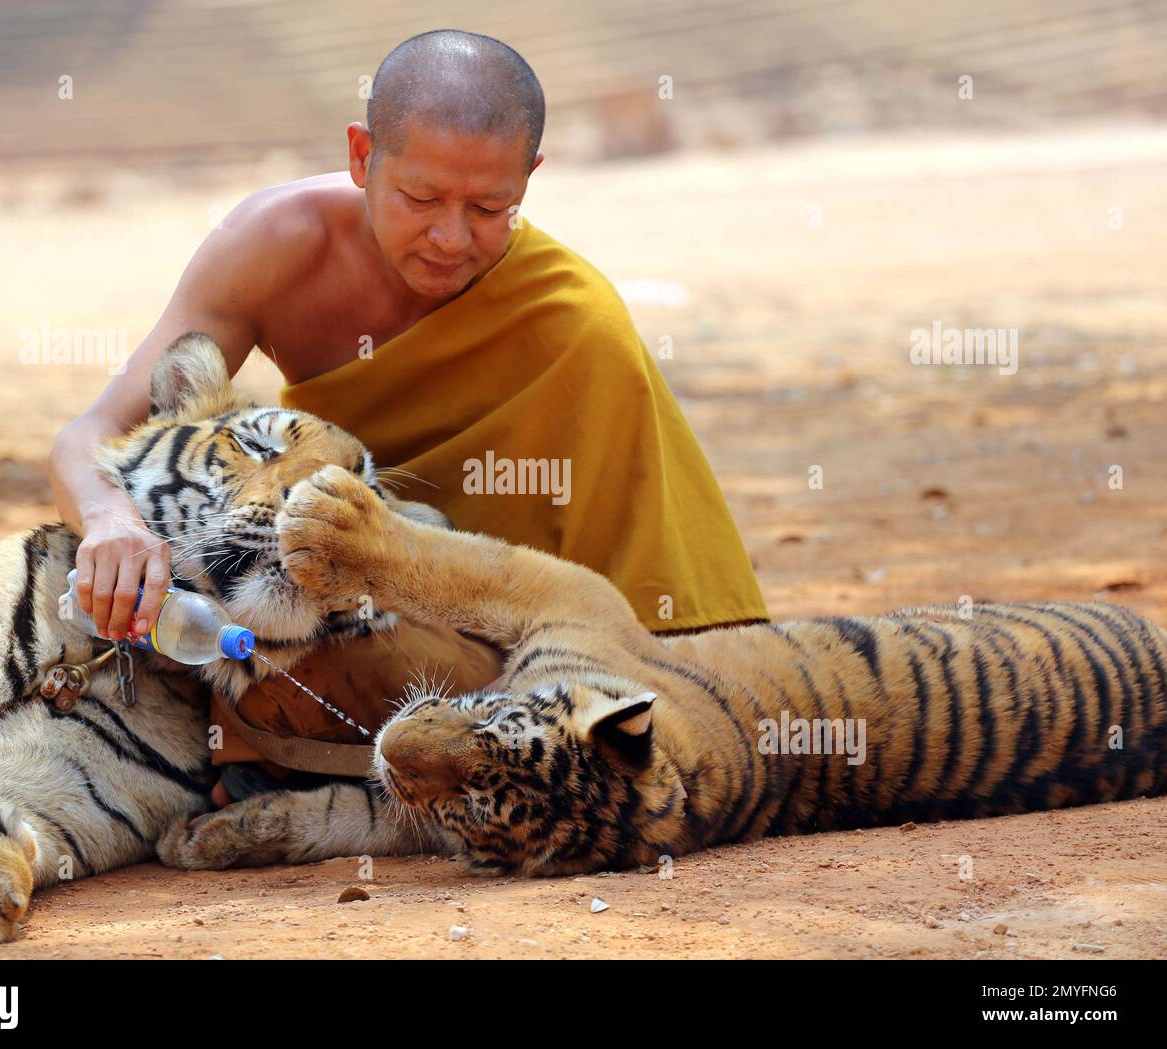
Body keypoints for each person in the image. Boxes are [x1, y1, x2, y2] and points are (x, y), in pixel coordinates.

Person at [48, 29, 768, 808]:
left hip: (512, 647)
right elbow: (87, 435)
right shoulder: (274, 246)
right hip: (340, 590)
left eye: (491, 207)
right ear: (362, 158)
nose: (451, 237)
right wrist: (108, 518)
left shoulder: (575, 322)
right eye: (421, 199)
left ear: (531, 178)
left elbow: (657, 601)